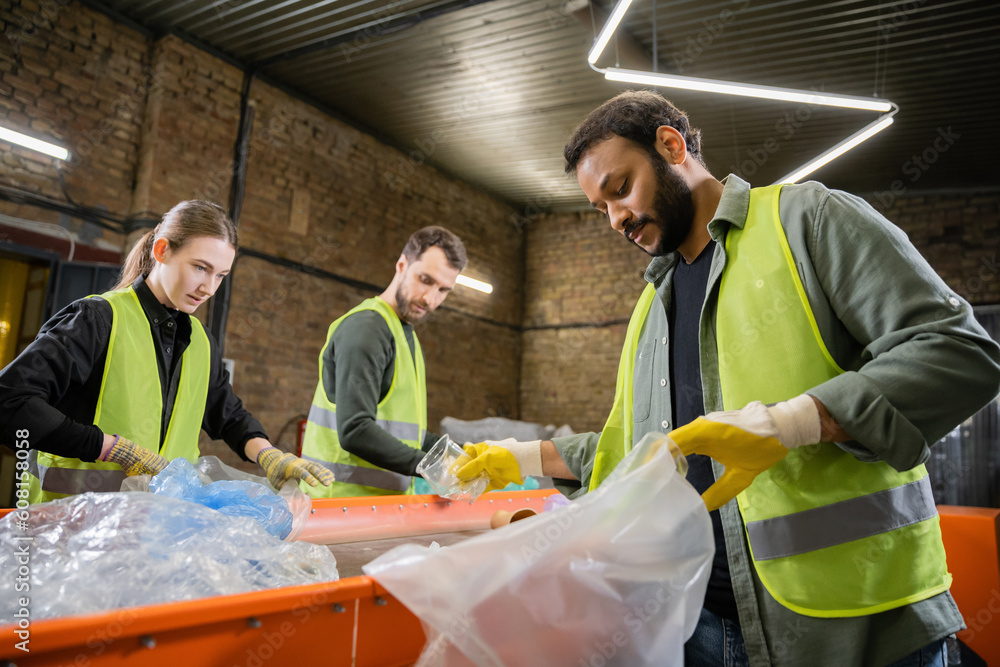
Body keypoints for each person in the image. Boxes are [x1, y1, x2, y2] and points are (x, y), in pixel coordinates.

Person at [456, 91, 1000, 666]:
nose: (616, 218)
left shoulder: (807, 221)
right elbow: (635, 455)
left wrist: (792, 423)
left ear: (671, 145)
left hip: (857, 631)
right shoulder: (651, 308)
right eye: (600, 208)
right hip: (700, 629)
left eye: (620, 189)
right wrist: (524, 458)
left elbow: (957, 350)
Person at [0, 200, 335, 503]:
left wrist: (270, 455)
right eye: (200, 267)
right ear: (161, 251)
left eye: (221, 275)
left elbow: (229, 415)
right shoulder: (97, 320)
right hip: (70, 532)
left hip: (156, 536)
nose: (209, 288)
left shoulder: (201, 342)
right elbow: (10, 402)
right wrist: (111, 448)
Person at [299, 226, 466, 497]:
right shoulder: (367, 329)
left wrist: (463, 454)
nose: (430, 299)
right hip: (339, 505)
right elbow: (356, 430)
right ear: (402, 264)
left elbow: (405, 432)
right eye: (425, 280)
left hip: (375, 510)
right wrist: (433, 466)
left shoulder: (403, 333)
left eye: (443, 290)